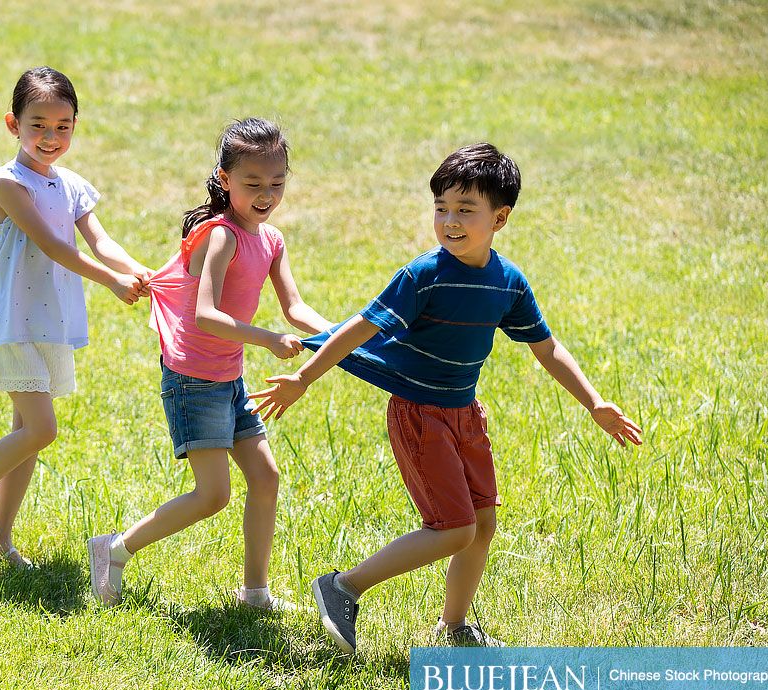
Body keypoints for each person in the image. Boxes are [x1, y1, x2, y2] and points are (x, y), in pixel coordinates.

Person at [250, 143, 642, 652]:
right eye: (441, 209)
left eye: (464, 210)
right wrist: (304, 377)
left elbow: (547, 349)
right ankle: (342, 587)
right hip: (421, 416)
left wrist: (595, 404)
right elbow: (361, 329)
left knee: (481, 525)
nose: (449, 221)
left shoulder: (508, 283)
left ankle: (454, 627)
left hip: (464, 416)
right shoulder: (424, 275)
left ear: (500, 218)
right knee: (453, 528)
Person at [87, 118, 331, 609]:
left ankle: (254, 592)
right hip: (193, 380)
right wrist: (266, 340)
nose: (266, 195)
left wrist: (345, 334)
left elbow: (295, 308)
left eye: (277, 184)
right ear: (224, 179)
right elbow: (207, 315)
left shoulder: (272, 240)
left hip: (228, 378)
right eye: (253, 184)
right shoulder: (218, 235)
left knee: (265, 478)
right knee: (212, 495)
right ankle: (113, 550)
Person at [0, 66, 150, 566]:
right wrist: (112, 282)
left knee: (26, 435)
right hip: (14, 322)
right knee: (40, 429)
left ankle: (1, 537)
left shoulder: (73, 185)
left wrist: (144, 272)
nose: (51, 137)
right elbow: (55, 246)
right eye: (38, 124)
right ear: (13, 125)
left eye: (63, 126)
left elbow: (101, 241)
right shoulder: (5, 184)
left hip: (51, 321)